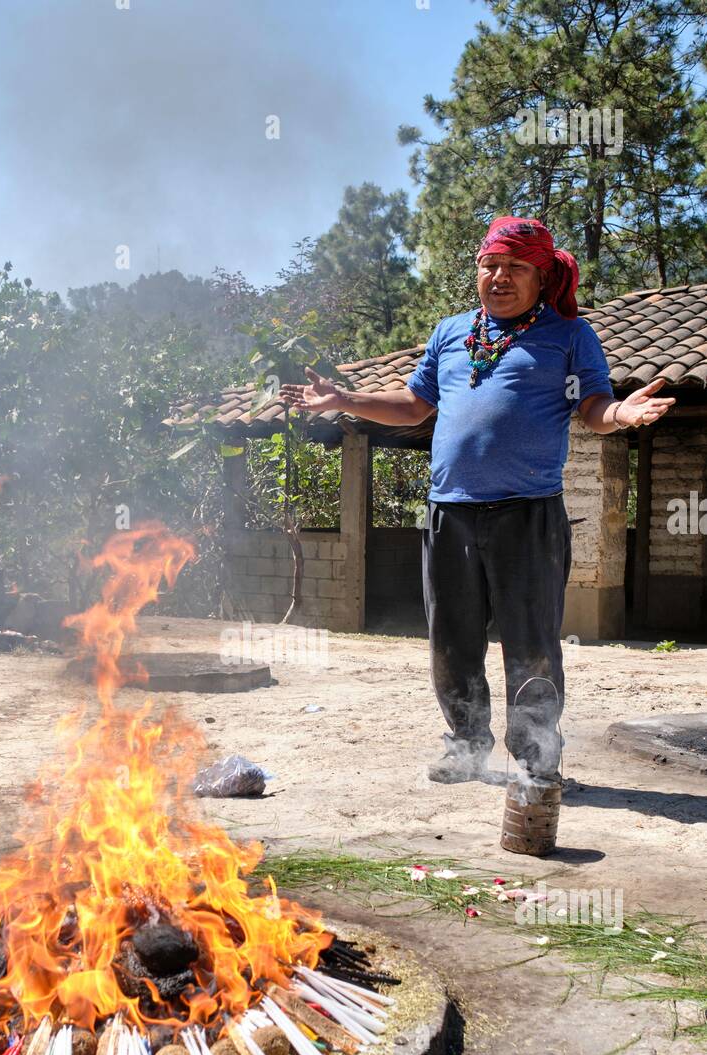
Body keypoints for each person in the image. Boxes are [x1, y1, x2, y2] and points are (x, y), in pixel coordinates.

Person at [280, 216, 674, 784]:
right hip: (450, 512)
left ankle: (537, 756)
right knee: (452, 640)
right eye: (490, 265)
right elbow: (414, 406)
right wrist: (345, 397)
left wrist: (619, 414)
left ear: (542, 276)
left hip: (529, 513)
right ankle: (465, 746)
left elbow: (593, 406)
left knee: (532, 642)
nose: (499, 277)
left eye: (515, 267)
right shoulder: (452, 334)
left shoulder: (568, 335)